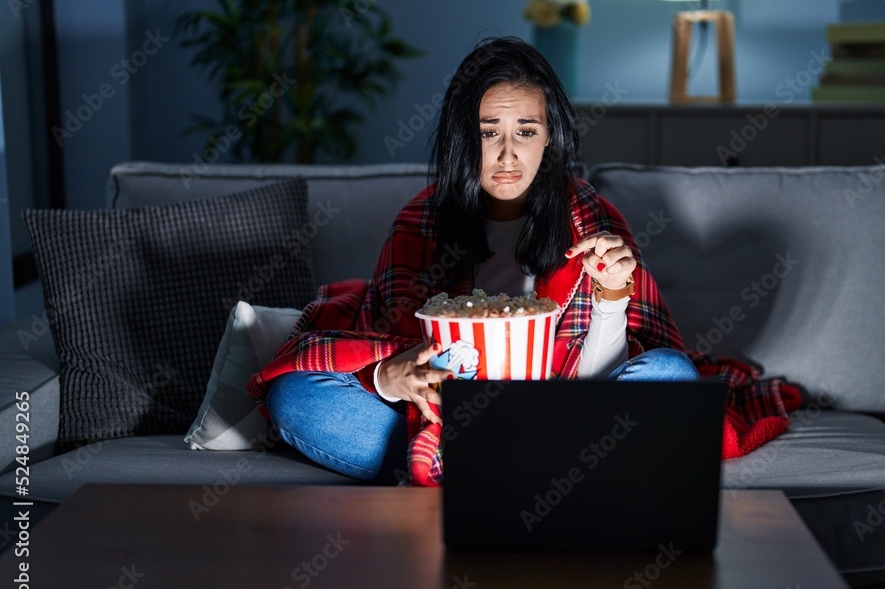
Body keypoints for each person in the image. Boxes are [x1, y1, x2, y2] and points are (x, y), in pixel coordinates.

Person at [251, 36, 704, 486]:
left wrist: (611, 299)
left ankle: (485, 475)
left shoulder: (592, 220)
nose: (508, 155)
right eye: (489, 132)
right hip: (451, 423)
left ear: (550, 138)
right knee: (296, 395)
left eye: (526, 131)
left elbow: (595, 381)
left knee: (671, 373)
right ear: (463, 139)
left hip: (561, 412)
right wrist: (389, 379)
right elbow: (387, 343)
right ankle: (531, 473)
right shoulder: (420, 222)